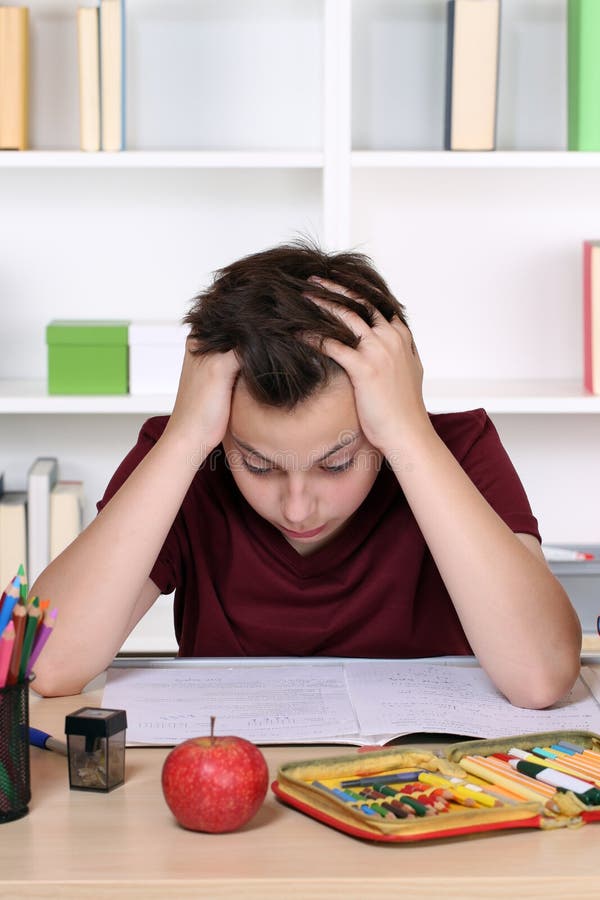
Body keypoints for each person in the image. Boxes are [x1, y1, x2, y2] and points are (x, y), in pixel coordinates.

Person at [32, 240, 581, 705]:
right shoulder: (185, 458)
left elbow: (540, 676)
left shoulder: (453, 450)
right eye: (258, 464)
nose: (297, 508)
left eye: (337, 463)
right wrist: (185, 435)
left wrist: (409, 432)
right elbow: (45, 665)